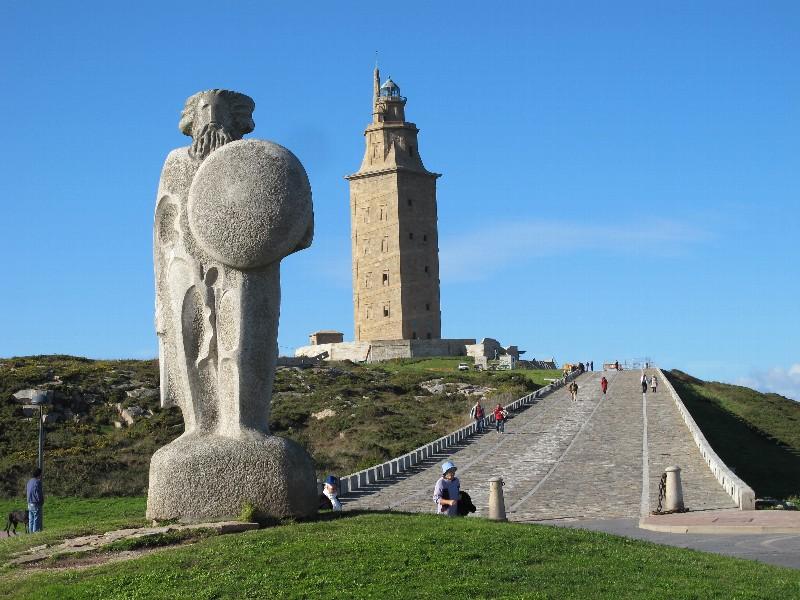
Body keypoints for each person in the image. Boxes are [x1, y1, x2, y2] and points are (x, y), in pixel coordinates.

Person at [26, 467, 44, 533]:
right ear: (39, 474)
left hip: (29, 502)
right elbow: (38, 493)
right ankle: (35, 533)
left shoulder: (29, 481)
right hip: (36, 503)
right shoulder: (38, 482)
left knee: (31, 519)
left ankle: (31, 533)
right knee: (37, 519)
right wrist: (41, 501)